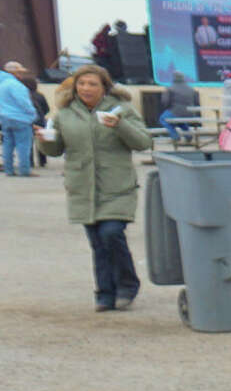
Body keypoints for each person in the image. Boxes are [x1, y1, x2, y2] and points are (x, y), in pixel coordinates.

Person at [36, 64, 153, 311]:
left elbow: (143, 142)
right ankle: (105, 294)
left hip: (117, 186)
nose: (86, 89)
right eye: (82, 84)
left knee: (111, 233)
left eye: (92, 84)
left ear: (104, 87)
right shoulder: (65, 114)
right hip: (82, 187)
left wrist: (120, 125)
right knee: (97, 243)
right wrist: (44, 141)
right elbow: (56, 150)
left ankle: (127, 284)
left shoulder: (122, 110)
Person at [0, 57, 38, 175]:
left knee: (8, 145)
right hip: (21, 118)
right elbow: (24, 103)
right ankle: (24, 170)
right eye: (20, 72)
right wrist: (33, 113)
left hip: (5, 118)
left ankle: (9, 170)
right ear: (15, 73)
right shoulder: (16, 85)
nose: (22, 75)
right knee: (23, 146)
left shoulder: (2, 85)